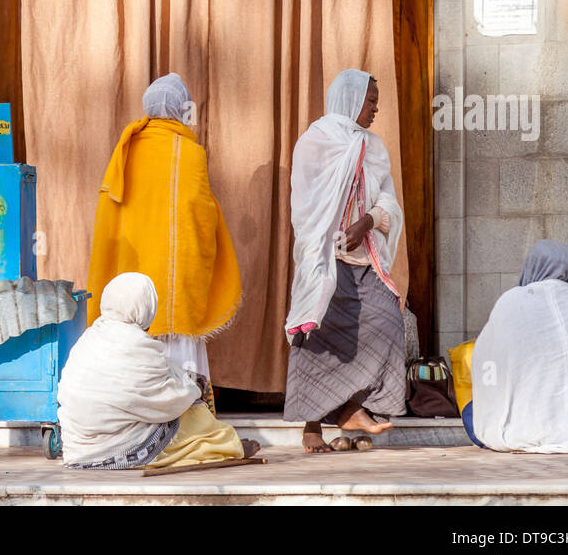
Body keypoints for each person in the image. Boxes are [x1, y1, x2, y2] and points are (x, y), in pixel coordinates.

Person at [87, 73, 241, 394]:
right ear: (182, 109)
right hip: (176, 289)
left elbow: (111, 217)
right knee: (179, 351)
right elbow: (200, 216)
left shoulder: (127, 149)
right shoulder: (188, 152)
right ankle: (184, 424)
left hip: (133, 276)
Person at [283, 68, 405, 452]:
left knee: (387, 322)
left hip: (364, 256)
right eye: (370, 101)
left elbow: (387, 199)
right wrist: (330, 234)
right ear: (351, 100)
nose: (375, 109)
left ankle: (351, 409)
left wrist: (367, 221)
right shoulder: (315, 141)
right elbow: (304, 204)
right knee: (316, 335)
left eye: (376, 102)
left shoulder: (374, 146)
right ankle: (312, 426)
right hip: (325, 257)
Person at [57, 272, 260, 470]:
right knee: (192, 411)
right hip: (112, 448)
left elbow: (147, 384)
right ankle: (224, 445)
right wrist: (193, 388)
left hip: (76, 449)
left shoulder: (89, 337)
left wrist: (185, 381)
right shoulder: (135, 344)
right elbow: (167, 401)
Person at [467, 239, 568, 454]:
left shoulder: (511, 301)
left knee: (471, 412)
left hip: (528, 428)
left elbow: (487, 358)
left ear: (531, 265)